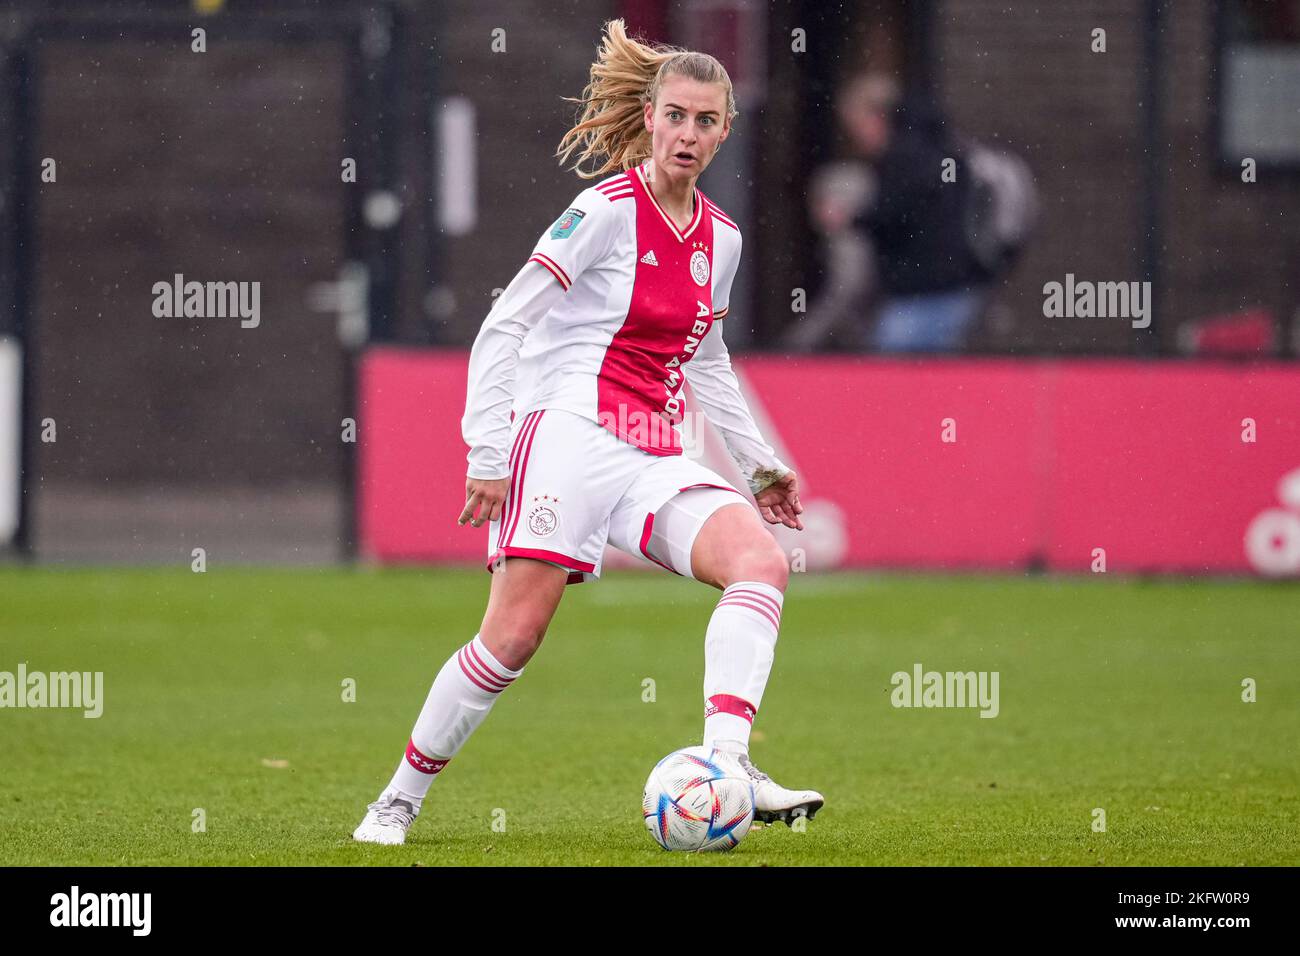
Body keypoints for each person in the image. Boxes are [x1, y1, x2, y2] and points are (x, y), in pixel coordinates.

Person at [352, 19, 824, 846]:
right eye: (675, 115)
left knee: (759, 561)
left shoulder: (723, 239)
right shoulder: (602, 211)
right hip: (569, 432)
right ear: (649, 118)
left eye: (706, 120)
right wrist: (488, 453)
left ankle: (727, 762)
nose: (689, 134)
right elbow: (503, 325)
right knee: (512, 638)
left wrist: (760, 465)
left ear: (723, 130)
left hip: (653, 450)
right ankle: (396, 799)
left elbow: (705, 358)